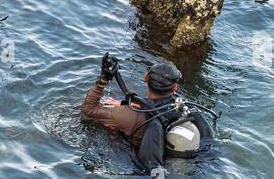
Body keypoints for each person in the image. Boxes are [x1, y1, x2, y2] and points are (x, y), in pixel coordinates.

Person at [81, 53, 214, 171]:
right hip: (189, 167)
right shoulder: (185, 109)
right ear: (174, 88)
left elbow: (88, 110)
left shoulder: (129, 114)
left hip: (148, 168)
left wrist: (103, 80)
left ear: (145, 78)